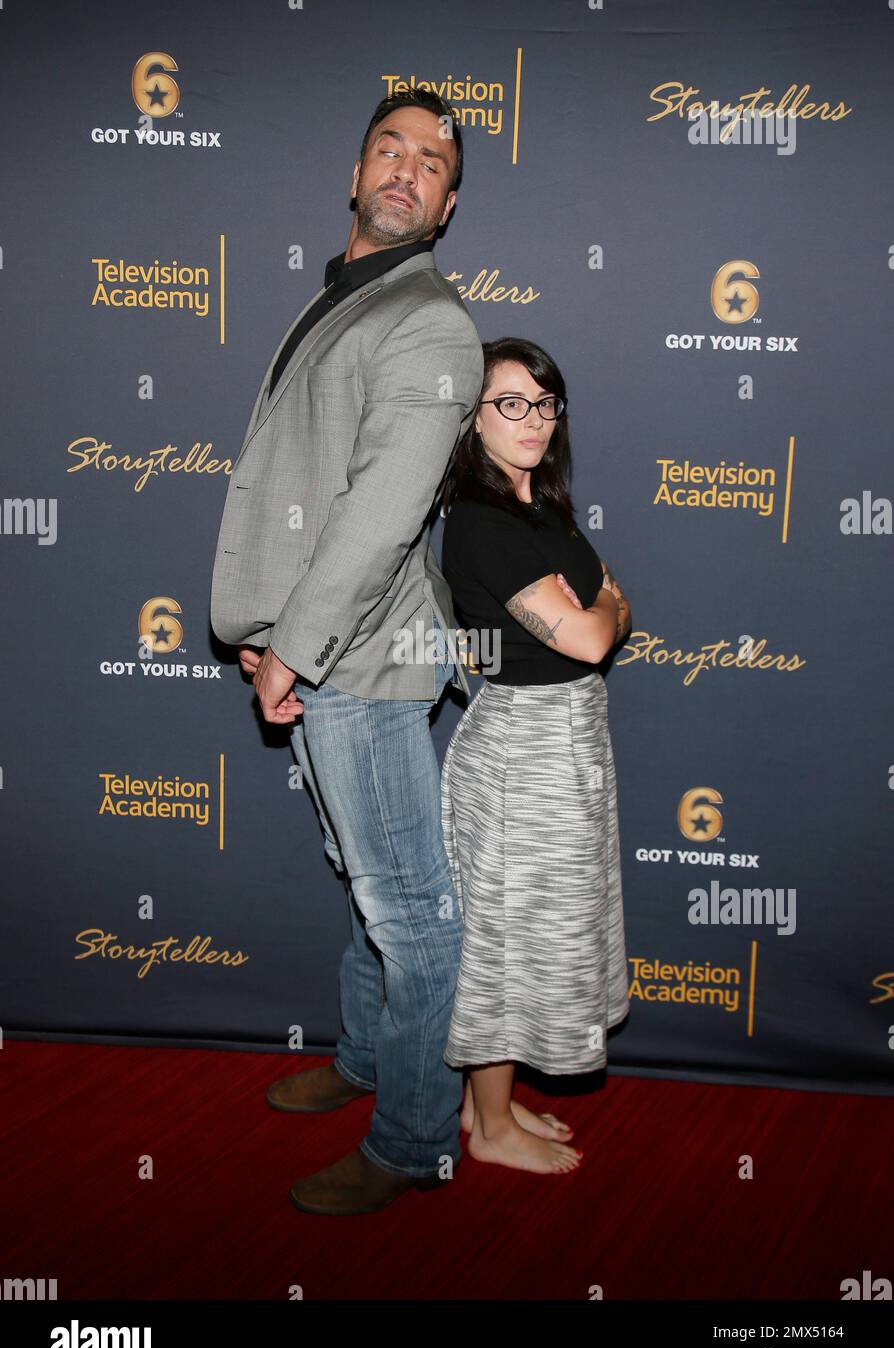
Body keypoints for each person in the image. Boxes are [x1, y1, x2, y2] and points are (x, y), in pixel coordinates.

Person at [209, 89, 484, 1215]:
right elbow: (304, 483)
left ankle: (415, 1138)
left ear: (450, 204)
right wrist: (269, 626)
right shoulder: (344, 296)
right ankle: (368, 1059)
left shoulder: (432, 324)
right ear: (356, 171)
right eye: (391, 148)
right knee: (369, 888)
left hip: (361, 663)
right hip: (325, 650)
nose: (408, 170)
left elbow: (378, 514)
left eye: (433, 162)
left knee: (414, 912)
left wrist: (297, 649)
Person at [439, 336, 632, 1175]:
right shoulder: (482, 525)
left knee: (546, 931)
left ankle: (496, 1102)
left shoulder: (541, 511)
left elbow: (601, 608)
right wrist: (611, 607)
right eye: (508, 402)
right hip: (525, 750)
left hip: (571, 740)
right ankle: (487, 1127)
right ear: (472, 419)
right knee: (509, 940)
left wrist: (606, 605)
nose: (532, 419)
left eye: (544, 402)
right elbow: (595, 629)